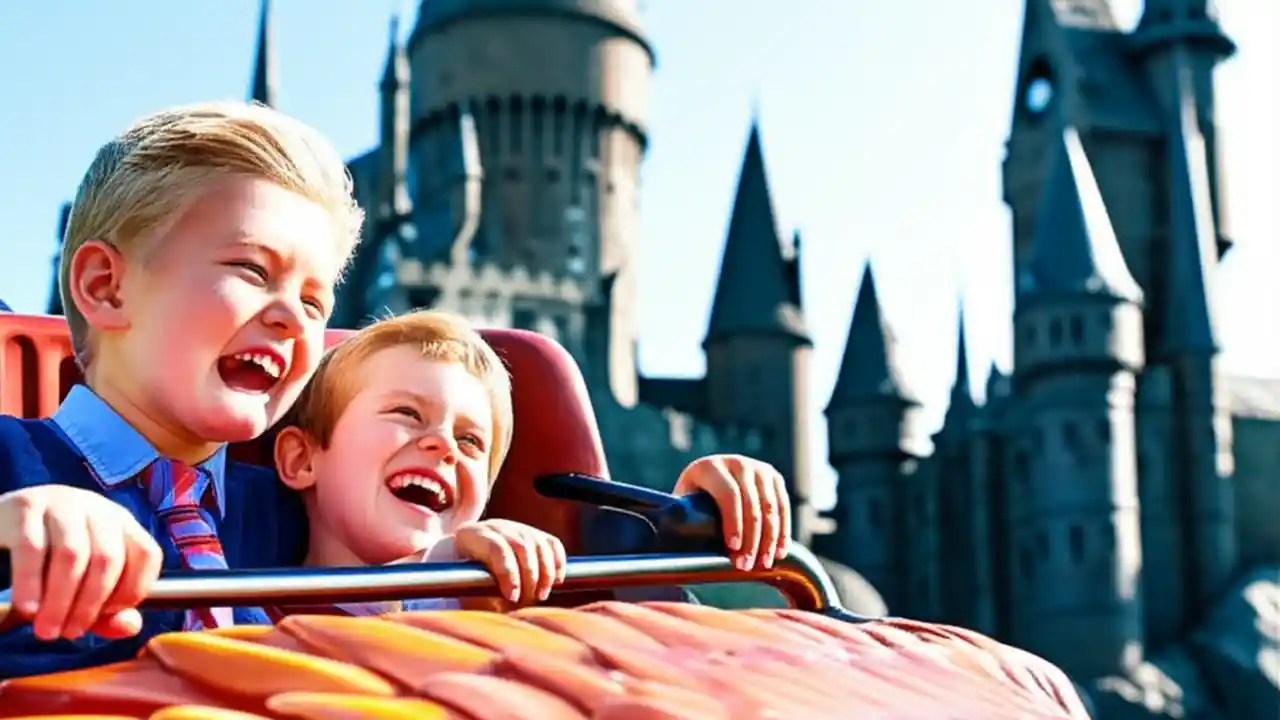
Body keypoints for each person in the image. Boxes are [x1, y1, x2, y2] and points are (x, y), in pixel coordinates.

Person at [0, 99, 364, 678]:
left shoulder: (292, 509)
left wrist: (464, 557)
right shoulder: (11, 460)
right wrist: (15, 519)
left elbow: (391, 582)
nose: (293, 318)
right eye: (251, 270)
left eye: (315, 302)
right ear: (107, 288)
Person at [263, 309, 792, 617]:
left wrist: (700, 522)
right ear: (302, 458)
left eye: (471, 443)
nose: (443, 445)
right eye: (406, 413)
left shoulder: (495, 600)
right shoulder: (219, 595)